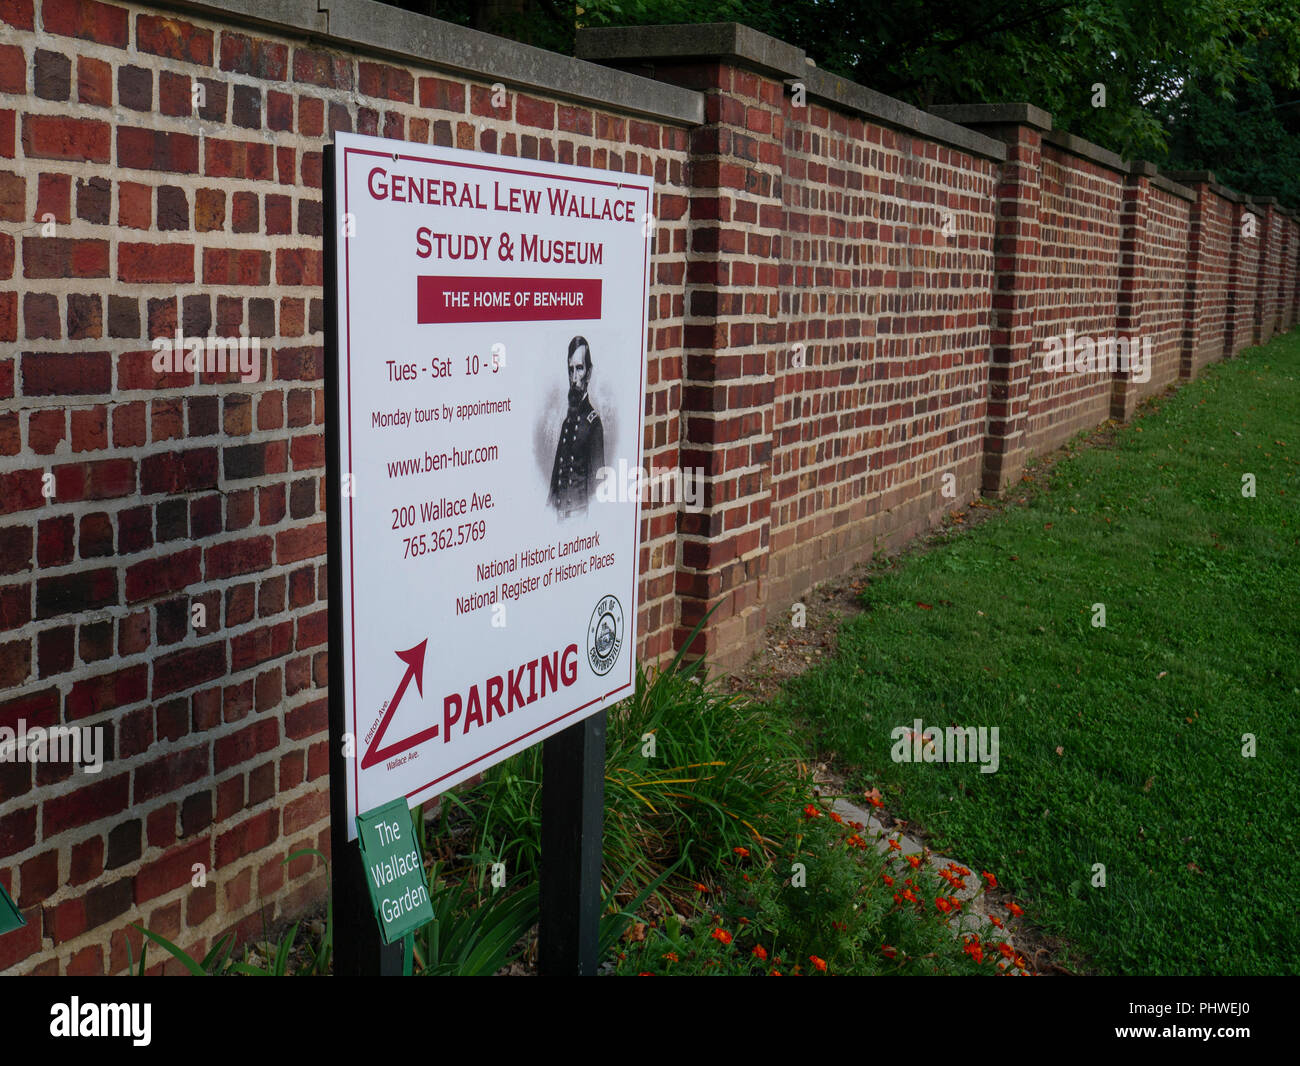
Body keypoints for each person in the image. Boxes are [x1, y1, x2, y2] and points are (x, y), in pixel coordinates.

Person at [547, 336, 604, 518]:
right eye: (570, 369)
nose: (574, 378)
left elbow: (598, 487)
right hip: (559, 514)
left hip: (579, 516)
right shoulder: (567, 421)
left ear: (589, 372)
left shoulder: (593, 423)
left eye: (579, 368)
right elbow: (556, 476)